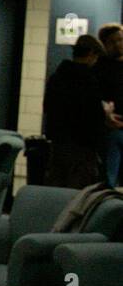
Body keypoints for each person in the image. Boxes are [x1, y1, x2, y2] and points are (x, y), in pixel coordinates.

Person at [44, 34, 113, 188]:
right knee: (78, 189)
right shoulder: (88, 80)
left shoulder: (57, 76)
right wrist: (106, 112)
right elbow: (93, 114)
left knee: (57, 183)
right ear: (91, 54)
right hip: (82, 144)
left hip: (59, 141)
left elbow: (48, 106)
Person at [94, 22, 123, 185]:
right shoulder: (100, 67)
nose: (118, 45)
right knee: (109, 178)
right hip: (110, 130)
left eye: (120, 39)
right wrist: (104, 113)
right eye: (113, 41)